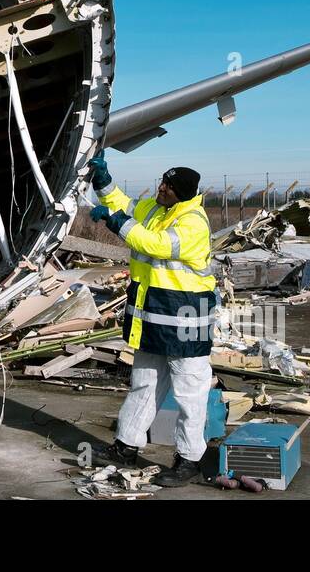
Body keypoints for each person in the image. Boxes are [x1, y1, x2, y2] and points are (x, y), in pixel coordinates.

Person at [87, 153, 215, 487]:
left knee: (190, 392)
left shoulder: (193, 222)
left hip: (186, 317)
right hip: (156, 315)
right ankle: (126, 446)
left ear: (182, 192)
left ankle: (189, 459)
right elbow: (124, 204)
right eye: (162, 181)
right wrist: (103, 180)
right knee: (144, 382)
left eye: (168, 186)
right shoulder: (156, 208)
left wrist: (116, 224)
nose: (161, 188)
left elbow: (155, 244)